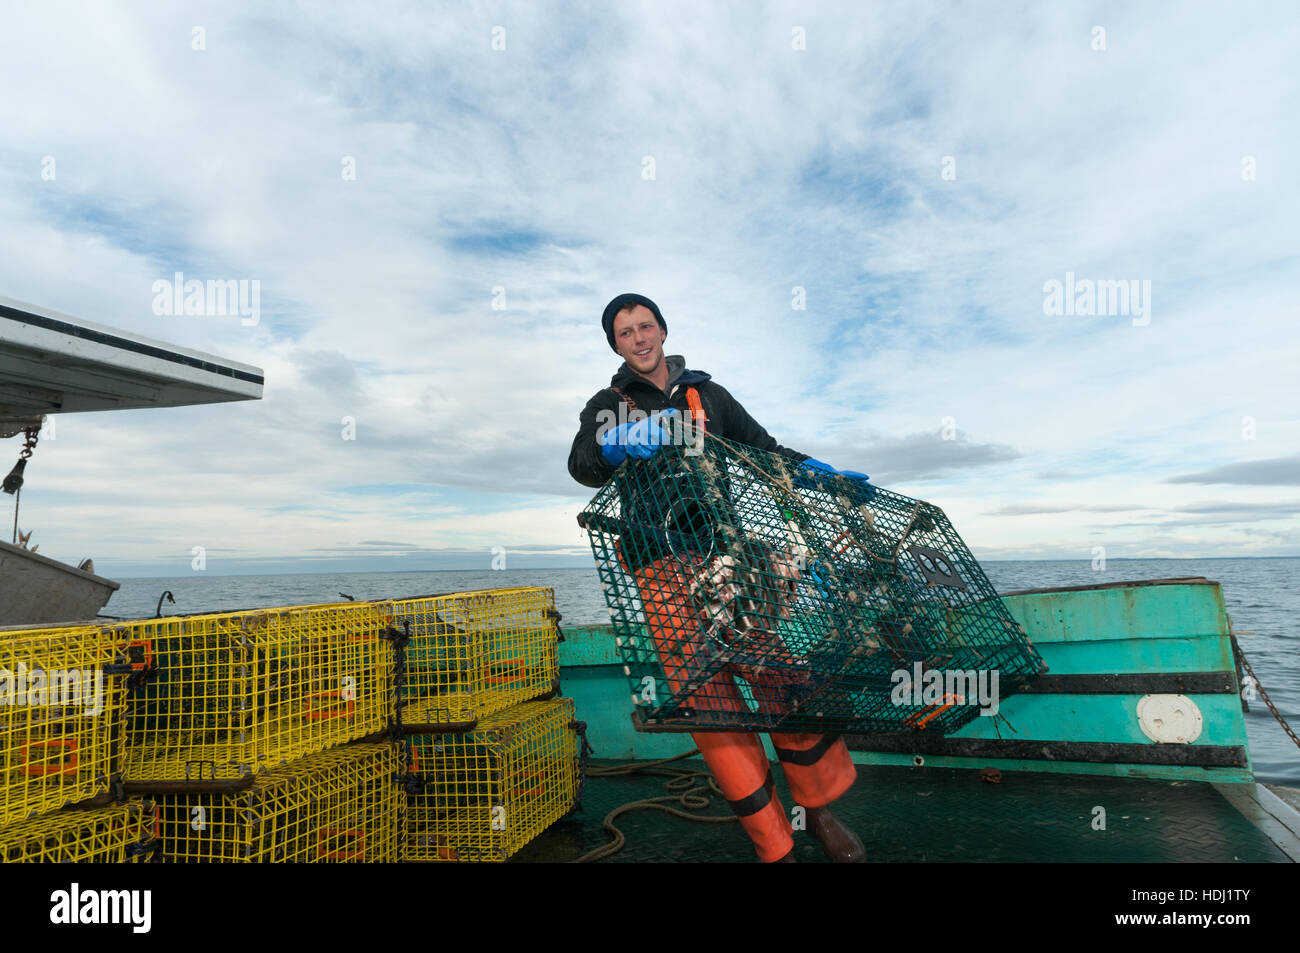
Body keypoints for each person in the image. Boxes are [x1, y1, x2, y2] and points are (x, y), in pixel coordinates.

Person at [568, 291, 869, 863]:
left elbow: (765, 450)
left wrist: (818, 474)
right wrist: (613, 444)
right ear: (615, 344)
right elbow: (581, 463)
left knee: (778, 674)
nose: (638, 337)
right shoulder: (608, 403)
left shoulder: (709, 395)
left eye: (646, 325)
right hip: (656, 560)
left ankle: (818, 812)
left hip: (723, 552)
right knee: (711, 703)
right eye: (625, 331)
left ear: (663, 330)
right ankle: (772, 843)